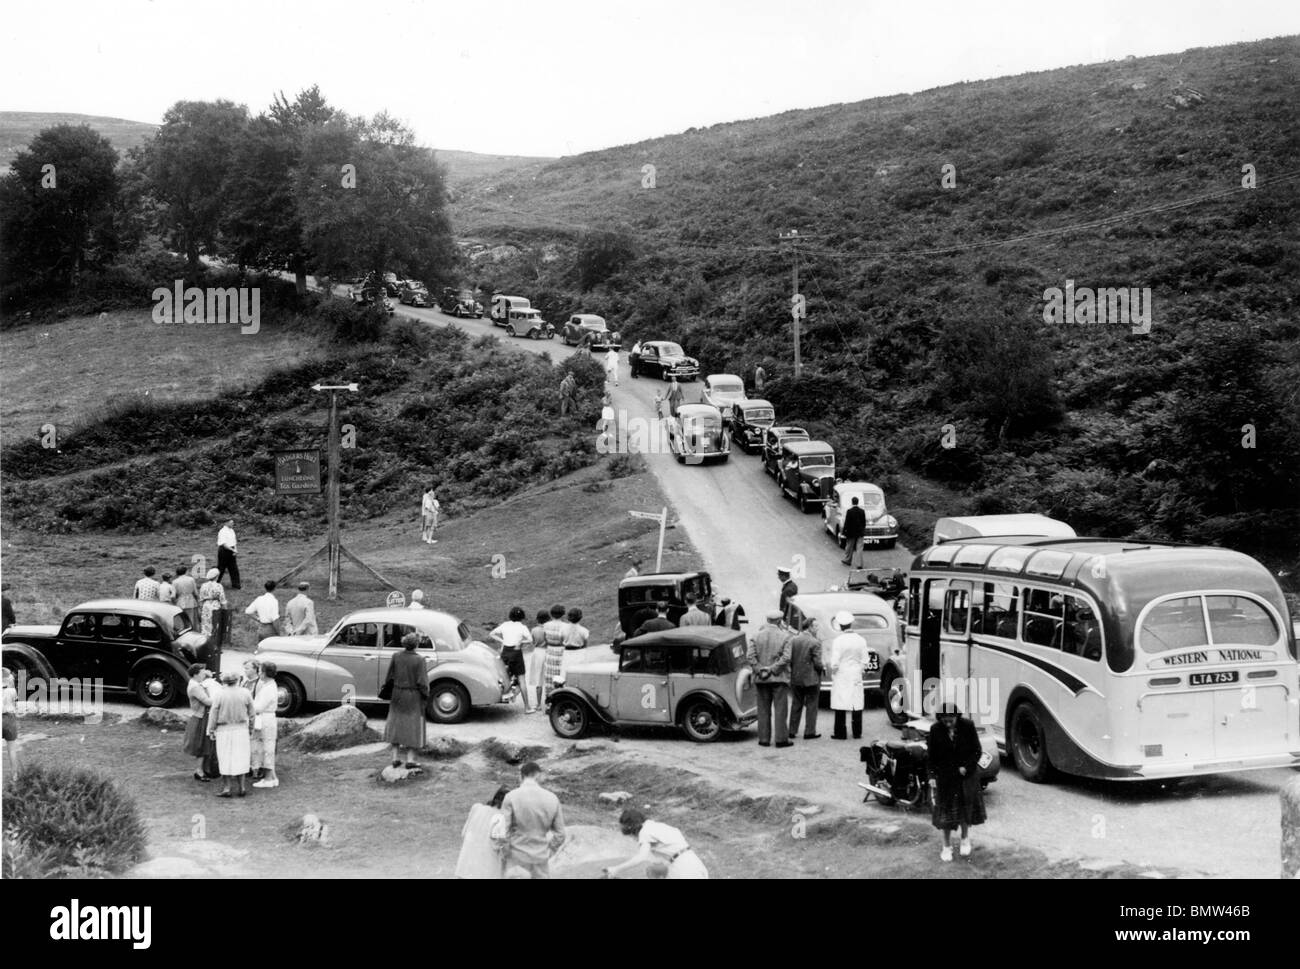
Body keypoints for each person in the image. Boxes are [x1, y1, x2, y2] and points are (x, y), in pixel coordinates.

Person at [928, 701, 987, 862]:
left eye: (951, 720)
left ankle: (965, 839)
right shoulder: (935, 730)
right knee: (946, 815)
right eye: (944, 720)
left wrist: (966, 767)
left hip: (966, 777)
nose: (948, 723)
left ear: (957, 717)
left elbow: (977, 751)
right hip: (946, 778)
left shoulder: (968, 726)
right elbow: (931, 756)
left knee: (964, 810)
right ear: (940, 718)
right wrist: (932, 776)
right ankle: (946, 846)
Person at [495, 762, 566, 879]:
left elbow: (502, 831)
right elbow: (561, 834)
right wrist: (550, 850)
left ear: (521, 776)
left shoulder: (511, 797)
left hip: (516, 856)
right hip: (541, 857)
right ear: (539, 776)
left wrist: (506, 851)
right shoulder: (552, 798)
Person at [602, 808, 708, 879]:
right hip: (695, 864)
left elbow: (641, 857)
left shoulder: (645, 832)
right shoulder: (656, 826)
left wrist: (616, 869)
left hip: (684, 869)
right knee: (652, 870)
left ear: (631, 825)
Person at [383, 632, 430, 769]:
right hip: (413, 695)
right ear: (416, 644)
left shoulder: (396, 656)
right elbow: (422, 682)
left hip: (397, 694)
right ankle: (410, 760)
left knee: (396, 724)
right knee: (412, 726)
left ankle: (395, 758)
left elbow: (389, 677)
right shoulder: (419, 660)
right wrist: (426, 694)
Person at [747, 610, 793, 747]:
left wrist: (760, 669)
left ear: (767, 620)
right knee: (780, 710)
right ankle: (781, 739)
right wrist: (772, 669)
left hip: (761, 679)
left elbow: (750, 657)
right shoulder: (786, 637)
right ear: (779, 621)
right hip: (779, 678)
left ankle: (764, 739)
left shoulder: (756, 636)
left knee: (763, 710)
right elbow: (787, 658)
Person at [207, 671, 253, 798]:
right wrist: (250, 728)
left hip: (224, 729)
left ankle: (227, 788)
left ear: (224, 681)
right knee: (241, 757)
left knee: (225, 757)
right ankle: (242, 787)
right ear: (237, 680)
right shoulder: (245, 693)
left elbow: (213, 713)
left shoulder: (219, 694)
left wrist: (211, 729)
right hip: (241, 729)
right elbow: (252, 713)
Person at [829, 611, 867, 740]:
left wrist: (834, 673)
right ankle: (857, 732)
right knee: (856, 702)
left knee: (840, 702)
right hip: (855, 673)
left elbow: (834, 662)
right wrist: (859, 670)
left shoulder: (838, 641)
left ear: (840, 626)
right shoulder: (861, 640)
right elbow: (865, 660)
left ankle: (840, 732)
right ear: (851, 624)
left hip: (842, 673)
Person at [456, 787, 510, 879]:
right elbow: (500, 847)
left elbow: (464, 834)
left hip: (464, 867)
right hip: (485, 871)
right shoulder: (501, 818)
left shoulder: (476, 808)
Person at [787, 616, 825, 740]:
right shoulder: (815, 642)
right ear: (809, 627)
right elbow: (818, 663)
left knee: (796, 704)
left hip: (796, 677)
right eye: (815, 626)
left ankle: (792, 731)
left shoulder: (793, 640)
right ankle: (809, 732)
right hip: (811, 679)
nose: (817, 628)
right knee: (812, 705)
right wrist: (822, 669)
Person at [491, 607, 534, 713]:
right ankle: (527, 707)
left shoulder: (505, 625)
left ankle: (506, 695)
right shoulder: (522, 627)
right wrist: (520, 643)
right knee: (521, 679)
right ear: (522, 617)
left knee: (505, 675)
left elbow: (491, 634)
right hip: (516, 652)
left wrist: (502, 640)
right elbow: (530, 639)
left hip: (505, 651)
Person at [250, 661, 280, 788]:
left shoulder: (269, 688)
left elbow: (259, 707)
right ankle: (272, 777)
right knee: (265, 747)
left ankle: (268, 779)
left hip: (265, 719)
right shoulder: (268, 685)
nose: (259, 673)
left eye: (261, 671)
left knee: (267, 747)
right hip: (265, 718)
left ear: (265, 673)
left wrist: (248, 705)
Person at [183, 664, 214, 781]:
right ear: (196, 674)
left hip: (202, 716)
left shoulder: (196, 684)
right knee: (200, 745)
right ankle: (199, 771)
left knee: (204, 744)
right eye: (202, 673)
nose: (204, 674)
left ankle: (203, 769)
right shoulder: (195, 687)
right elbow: (208, 701)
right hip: (200, 718)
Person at [540, 605, 570, 701]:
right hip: (561, 651)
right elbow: (565, 640)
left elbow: (544, 638)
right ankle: (561, 698)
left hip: (550, 650)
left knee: (549, 675)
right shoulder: (565, 626)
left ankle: (549, 700)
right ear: (562, 614)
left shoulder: (545, 625)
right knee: (560, 674)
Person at [198, 568, 229, 640]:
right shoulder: (219, 586)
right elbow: (222, 599)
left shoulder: (203, 585)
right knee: (215, 623)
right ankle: (214, 641)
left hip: (206, 605)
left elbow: (201, 598)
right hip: (215, 605)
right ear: (216, 576)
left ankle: (205, 640)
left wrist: (200, 608)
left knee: (206, 623)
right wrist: (225, 609)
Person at [2, 667, 20, 778]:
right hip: (10, 718)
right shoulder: (13, 691)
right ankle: (15, 776)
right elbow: (15, 705)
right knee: (12, 749)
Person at [840, 495, 867, 566]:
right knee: (859, 549)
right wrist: (863, 530)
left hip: (851, 533)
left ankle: (848, 560)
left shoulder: (849, 511)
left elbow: (846, 522)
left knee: (849, 547)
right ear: (858, 502)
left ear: (852, 502)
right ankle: (859, 564)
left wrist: (844, 531)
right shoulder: (862, 511)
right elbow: (864, 523)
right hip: (860, 532)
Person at [216, 519, 240, 589]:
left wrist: (235, 550)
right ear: (226, 523)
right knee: (221, 568)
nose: (233, 524)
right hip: (224, 551)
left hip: (232, 550)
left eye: (233, 522)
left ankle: (236, 585)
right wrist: (232, 550)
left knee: (234, 568)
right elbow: (224, 544)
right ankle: (215, 583)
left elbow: (234, 542)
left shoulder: (232, 530)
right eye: (231, 523)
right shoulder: (222, 531)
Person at [173, 566, 199, 630]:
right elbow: (195, 593)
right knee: (191, 620)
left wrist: (175, 602)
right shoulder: (191, 579)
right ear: (185, 571)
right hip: (191, 601)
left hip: (180, 602)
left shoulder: (175, 581)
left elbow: (174, 595)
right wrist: (198, 601)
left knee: (181, 621)